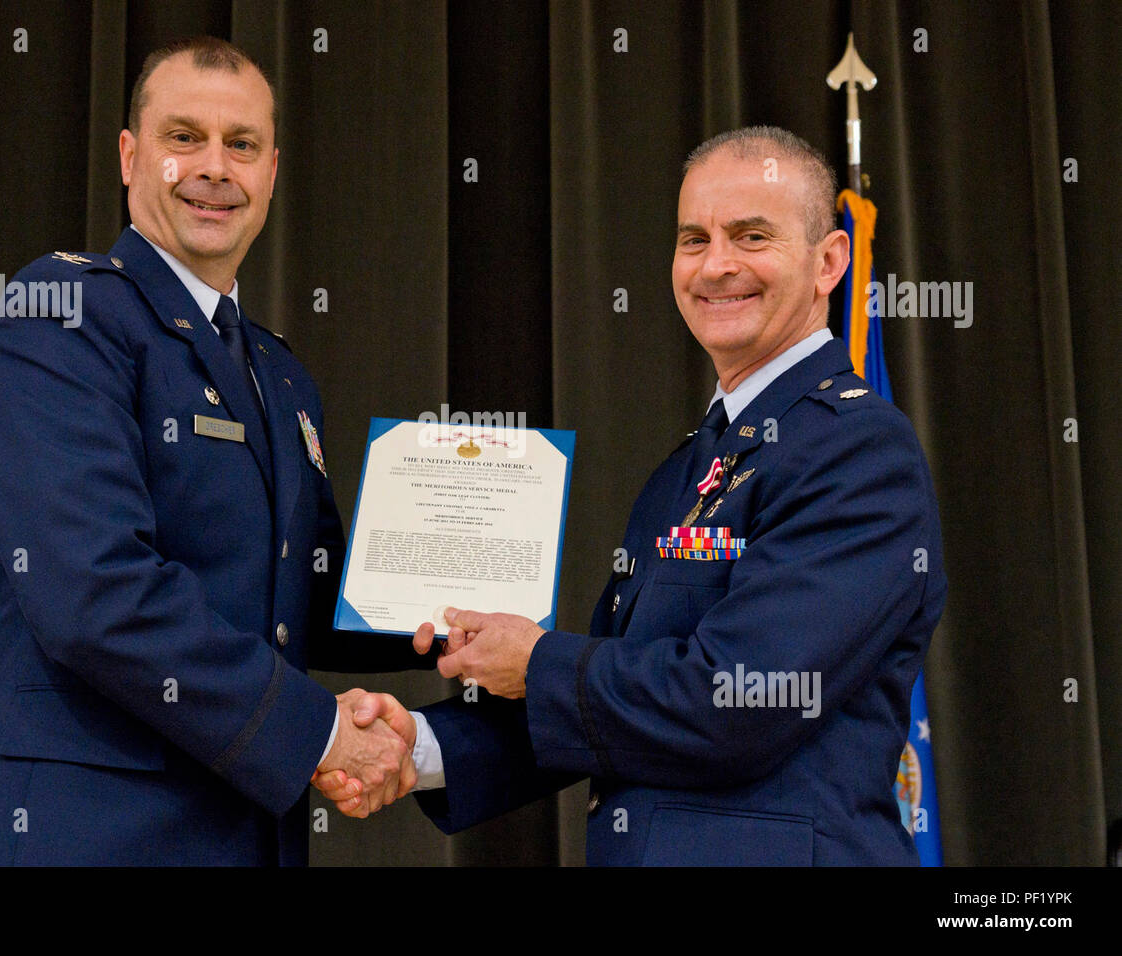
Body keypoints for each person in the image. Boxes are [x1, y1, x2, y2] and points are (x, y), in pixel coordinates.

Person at [315, 126, 948, 865]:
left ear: (829, 260)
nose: (716, 265)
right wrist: (416, 747)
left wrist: (540, 661)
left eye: (751, 236)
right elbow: (626, 701)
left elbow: (738, 698)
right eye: (693, 239)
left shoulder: (859, 450)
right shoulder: (692, 464)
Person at [0, 36, 422, 866]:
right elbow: (95, 592)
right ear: (131, 157)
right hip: (85, 834)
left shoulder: (276, 370)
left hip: (242, 833)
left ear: (272, 170)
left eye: (242, 145)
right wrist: (322, 734)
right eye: (183, 138)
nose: (215, 167)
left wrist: (455, 603)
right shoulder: (62, 316)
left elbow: (303, 587)